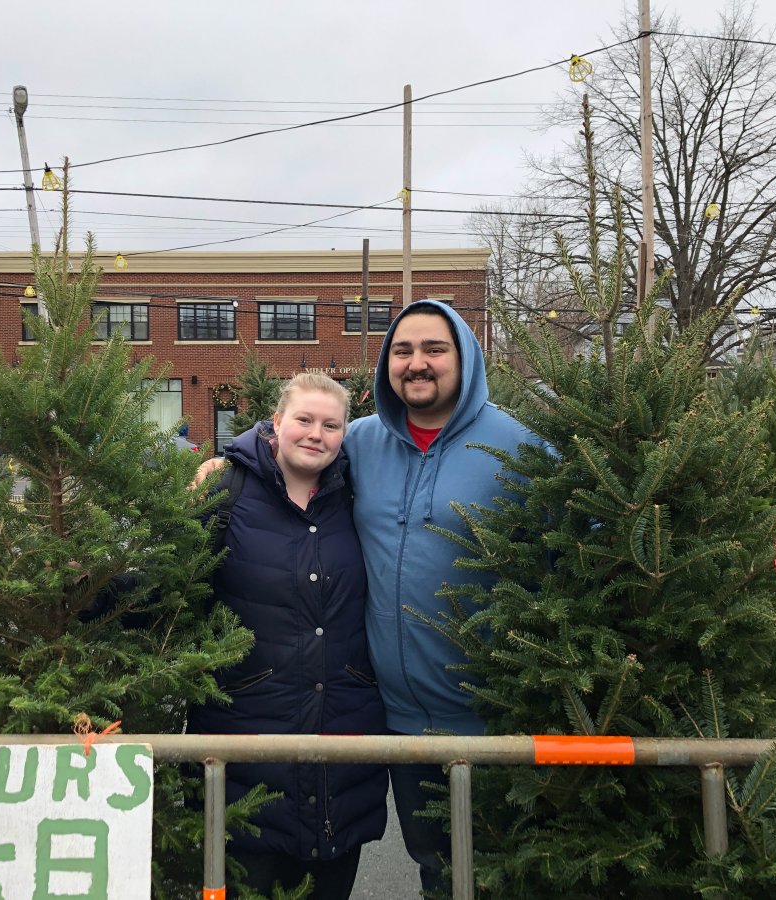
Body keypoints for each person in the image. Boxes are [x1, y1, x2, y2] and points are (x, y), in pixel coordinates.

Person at [345, 299, 539, 893]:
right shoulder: (359, 443)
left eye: (434, 349)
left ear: (465, 357)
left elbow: (591, 530)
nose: (417, 364)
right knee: (435, 868)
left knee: (498, 874)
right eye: (402, 351)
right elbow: (290, 444)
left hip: (493, 721)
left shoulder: (517, 446)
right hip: (401, 723)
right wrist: (226, 462)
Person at [187, 373, 387, 899]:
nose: (315, 434)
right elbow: (168, 582)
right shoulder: (224, 490)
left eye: (331, 424)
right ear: (276, 422)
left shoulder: (360, 496)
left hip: (345, 732)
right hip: (246, 735)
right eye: (303, 419)